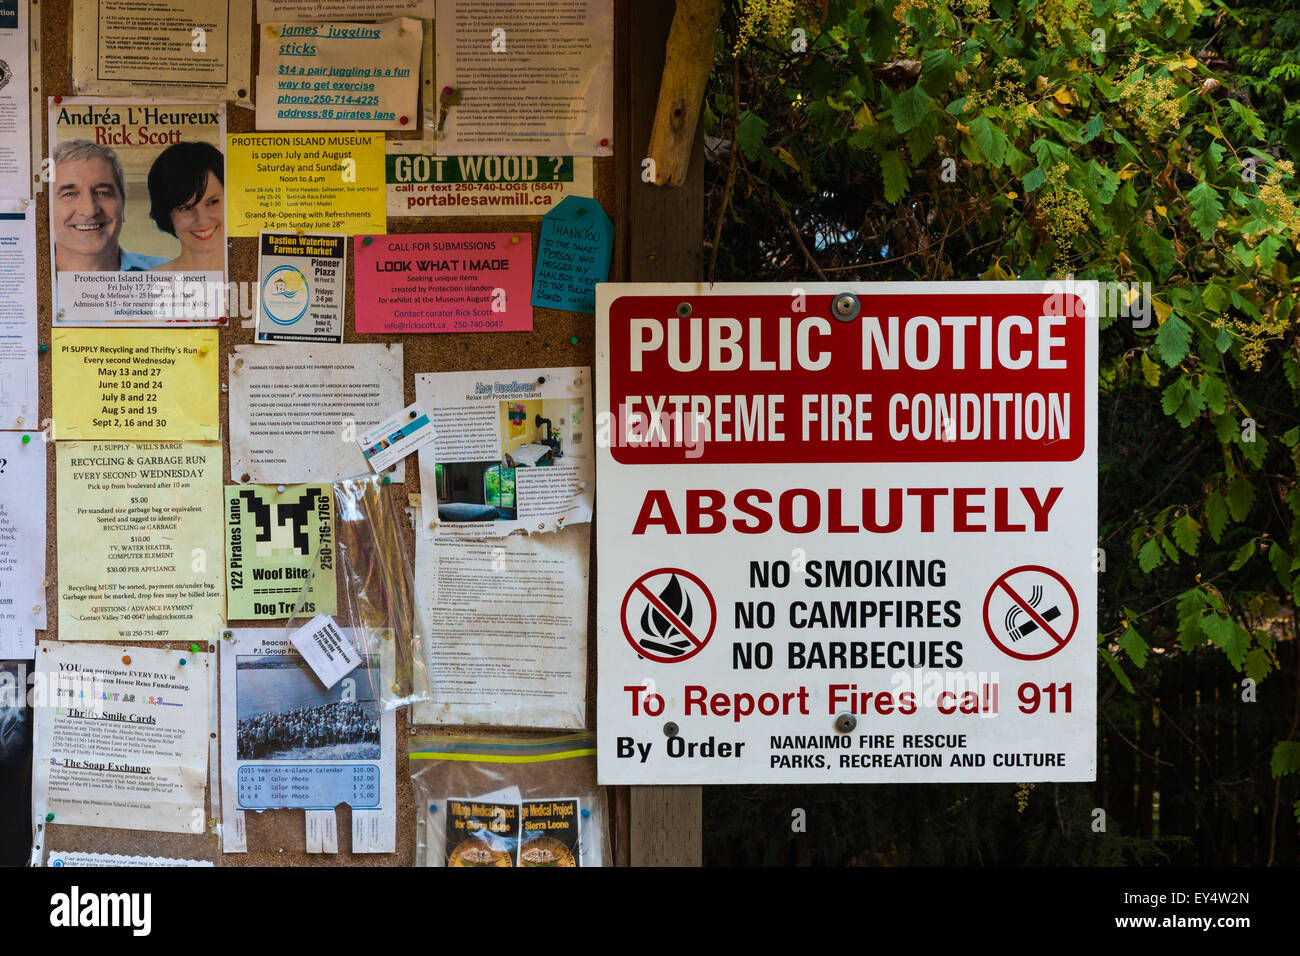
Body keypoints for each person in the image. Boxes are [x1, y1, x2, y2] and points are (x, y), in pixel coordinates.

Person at [51, 140, 167, 272]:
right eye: (69, 194)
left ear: (122, 206)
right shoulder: (25, 278)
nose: (90, 210)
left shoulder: (172, 272)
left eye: (102, 193)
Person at [147, 141, 225, 273]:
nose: (202, 220)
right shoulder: (145, 285)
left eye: (213, 202)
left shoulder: (258, 274)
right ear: (167, 215)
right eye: (186, 208)